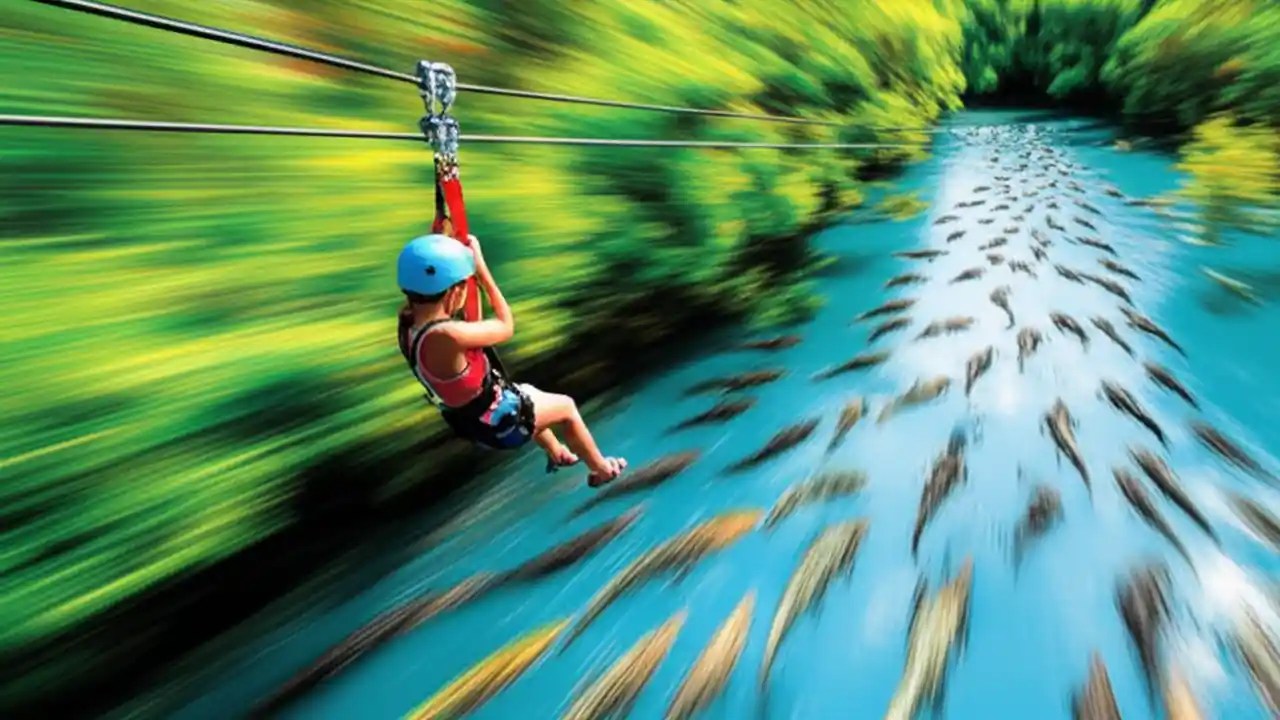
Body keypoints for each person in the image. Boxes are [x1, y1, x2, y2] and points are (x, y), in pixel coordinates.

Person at [396, 233, 627, 486]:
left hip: (476, 422)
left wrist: (445, 244)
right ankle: (601, 470)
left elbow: (458, 313)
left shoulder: (408, 325)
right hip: (500, 426)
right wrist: (483, 273)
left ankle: (557, 451)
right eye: (465, 283)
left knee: (526, 392)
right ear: (455, 291)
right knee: (566, 408)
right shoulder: (446, 335)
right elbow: (505, 327)